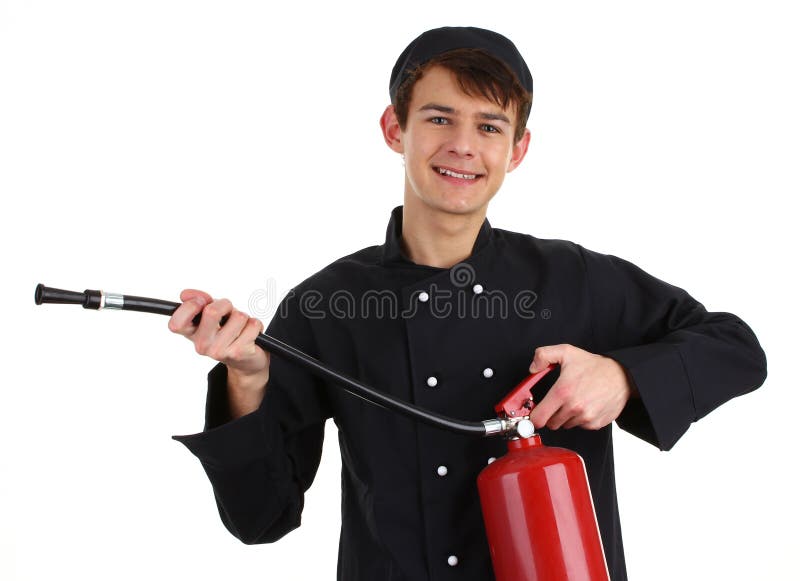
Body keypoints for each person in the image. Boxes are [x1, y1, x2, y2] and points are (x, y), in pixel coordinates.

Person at [169, 27, 767, 581]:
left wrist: (622, 377)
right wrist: (245, 378)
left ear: (518, 148)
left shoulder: (573, 278)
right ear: (394, 128)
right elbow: (260, 519)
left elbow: (737, 347)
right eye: (438, 118)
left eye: (489, 126)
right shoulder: (327, 305)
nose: (462, 146)